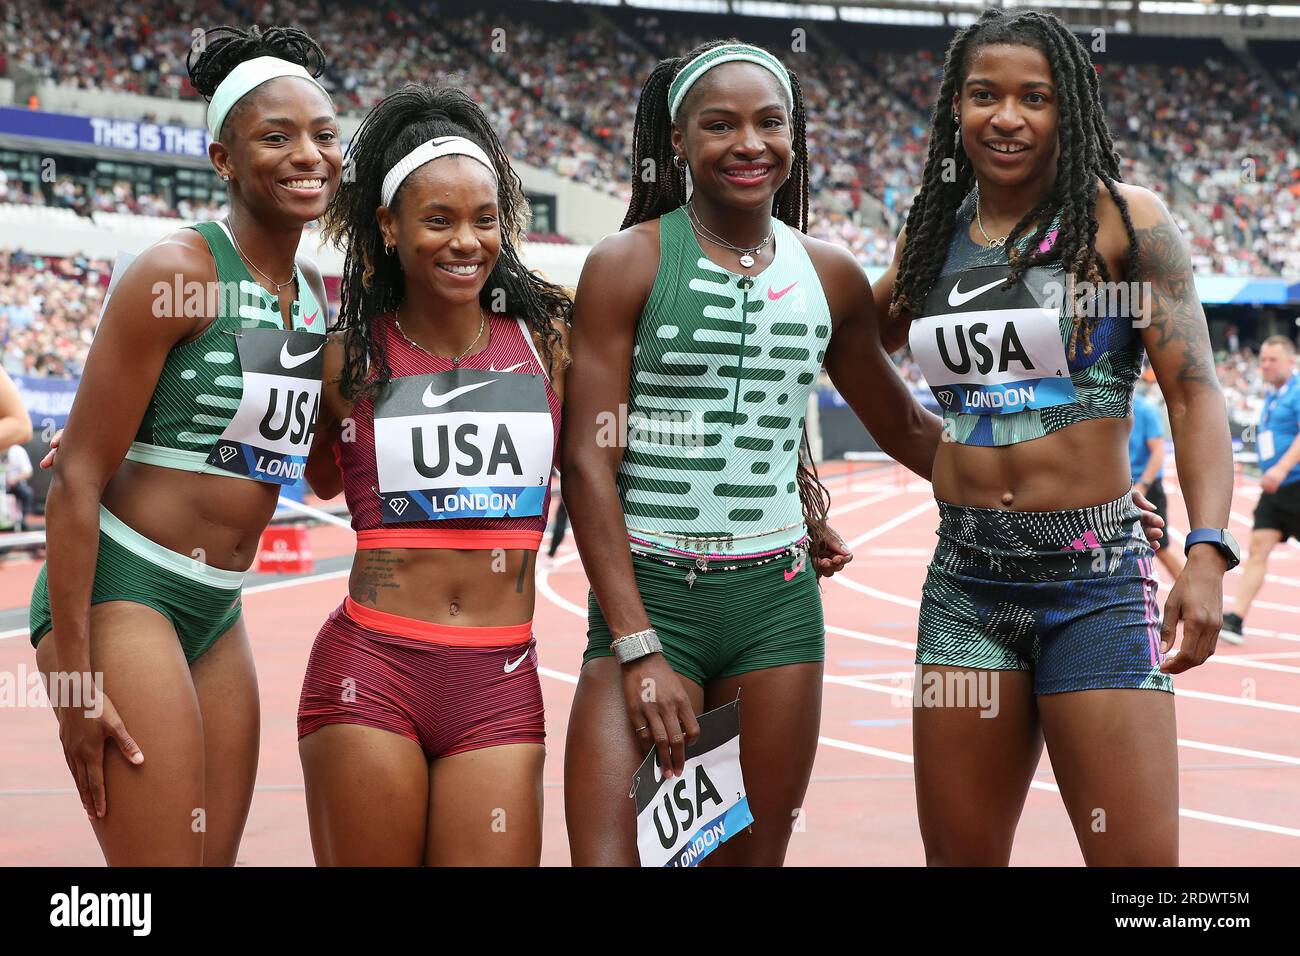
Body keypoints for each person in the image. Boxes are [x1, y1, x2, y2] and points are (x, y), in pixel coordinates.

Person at [562, 39, 946, 867]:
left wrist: (1061, 496)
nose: (750, 143)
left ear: (795, 138)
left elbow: (910, 430)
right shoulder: (628, 263)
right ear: (677, 141)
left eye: (771, 123)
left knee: (746, 861)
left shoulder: (830, 274)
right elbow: (589, 459)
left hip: (776, 607)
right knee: (609, 858)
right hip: (652, 598)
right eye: (720, 124)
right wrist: (637, 644)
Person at [875, 8, 1235, 866]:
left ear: (1067, 109)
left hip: (1097, 584)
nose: (1007, 117)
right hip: (965, 583)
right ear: (954, 109)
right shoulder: (934, 232)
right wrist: (931, 449)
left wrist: (1210, 552)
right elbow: (852, 342)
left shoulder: (1124, 221)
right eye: (983, 95)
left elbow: (1193, 393)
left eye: (1034, 97)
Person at [28, 24, 339, 865]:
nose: (307, 154)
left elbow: (323, 474)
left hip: (216, 604)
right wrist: (72, 683)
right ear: (223, 161)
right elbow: (76, 479)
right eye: (276, 137)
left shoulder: (314, 297)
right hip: (124, 590)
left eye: (322, 135)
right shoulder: (179, 272)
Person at [297, 85, 571, 866]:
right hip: (369, 670)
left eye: (484, 220)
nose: (465, 241)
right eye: (438, 220)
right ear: (388, 227)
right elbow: (297, 473)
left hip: (499, 677)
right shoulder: (344, 359)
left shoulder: (553, 343)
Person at [1222, 335, 1300, 644]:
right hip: (1275, 491)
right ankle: (1236, 619)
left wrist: (1281, 468)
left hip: (1295, 483)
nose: (1264, 365)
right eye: (1263, 359)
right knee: (1258, 546)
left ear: (1290, 361)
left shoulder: (1296, 392)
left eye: (1272, 360)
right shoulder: (1272, 394)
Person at [1130, 384, 1185, 578]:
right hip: (1119, 487)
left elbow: (1158, 451)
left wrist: (1143, 485)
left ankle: (1191, 594)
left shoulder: (1145, 410)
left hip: (1145, 487)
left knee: (1161, 547)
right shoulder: (1105, 407)